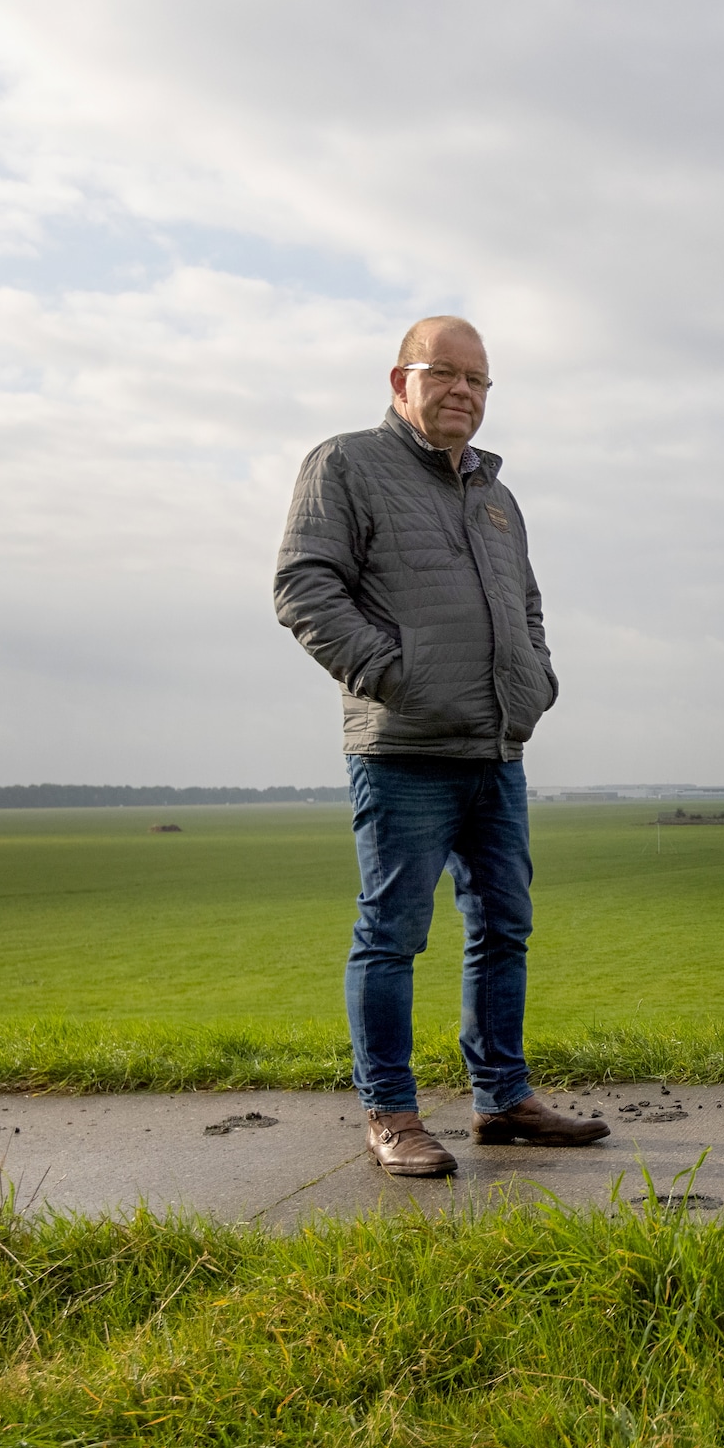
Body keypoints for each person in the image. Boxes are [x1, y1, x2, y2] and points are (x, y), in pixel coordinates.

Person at [274, 316, 608, 1176]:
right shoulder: (344, 464)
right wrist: (394, 675)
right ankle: (392, 1116)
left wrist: (536, 681)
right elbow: (303, 585)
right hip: (403, 750)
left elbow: (528, 606)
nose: (463, 390)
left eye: (479, 380)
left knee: (504, 926)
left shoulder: (498, 498)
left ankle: (502, 1101)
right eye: (444, 373)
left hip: (496, 749)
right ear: (400, 381)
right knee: (391, 934)